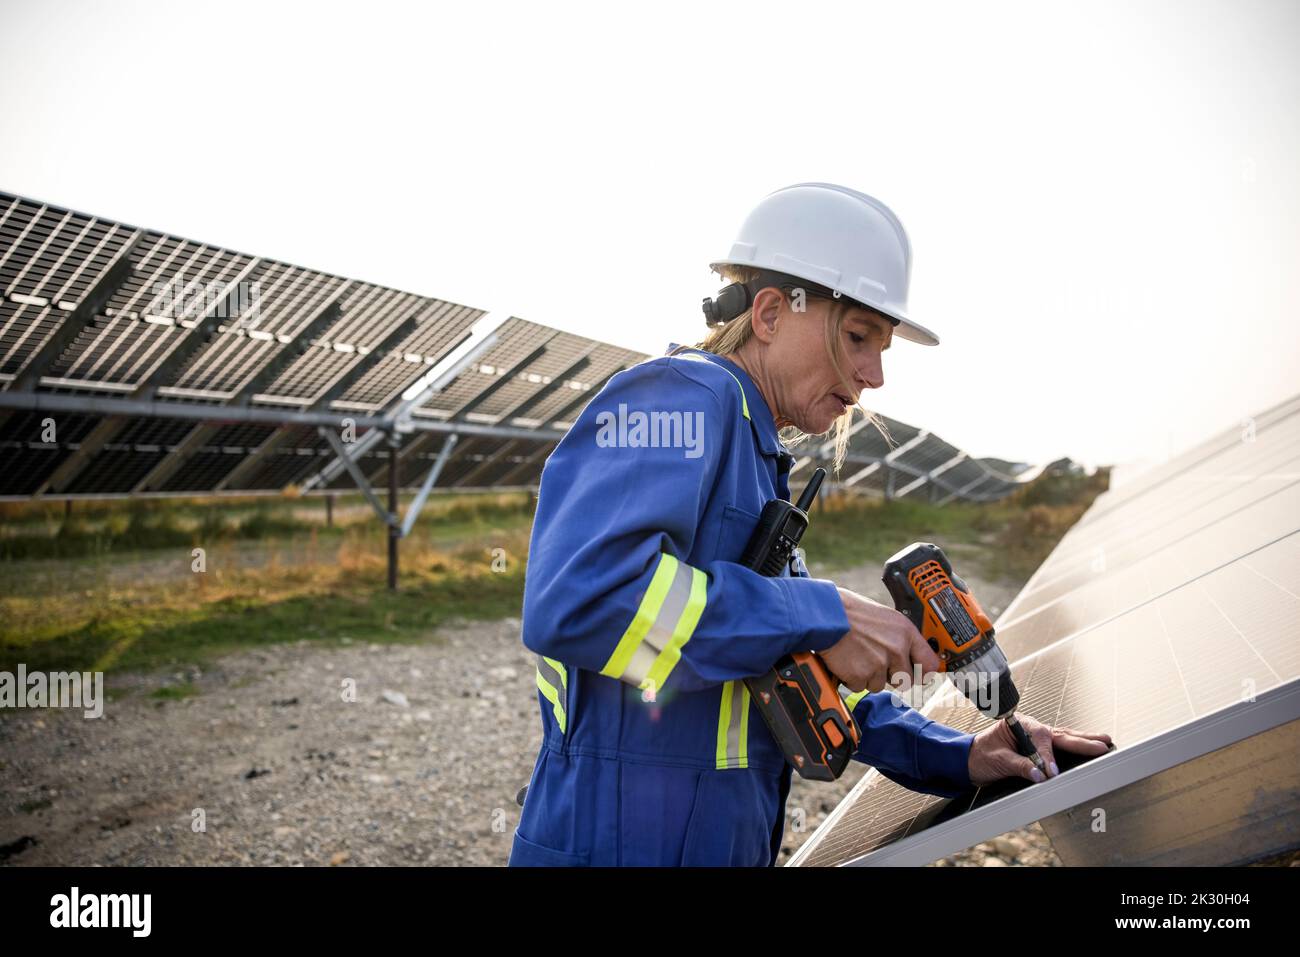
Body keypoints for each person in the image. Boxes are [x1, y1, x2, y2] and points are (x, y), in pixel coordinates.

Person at [508, 183, 1113, 867]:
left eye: (881, 348)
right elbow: (581, 599)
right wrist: (819, 611)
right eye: (858, 337)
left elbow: (789, 672)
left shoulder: (755, 452)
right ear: (770, 313)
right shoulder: (679, 397)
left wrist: (964, 752)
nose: (875, 375)